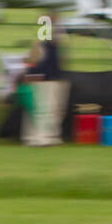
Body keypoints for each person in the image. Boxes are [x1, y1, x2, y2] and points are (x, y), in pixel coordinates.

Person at [24, 14, 68, 145]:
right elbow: (35, 62)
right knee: (42, 110)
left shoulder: (51, 46)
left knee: (51, 110)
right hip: (44, 79)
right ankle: (39, 137)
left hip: (51, 78)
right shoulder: (43, 45)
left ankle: (48, 136)